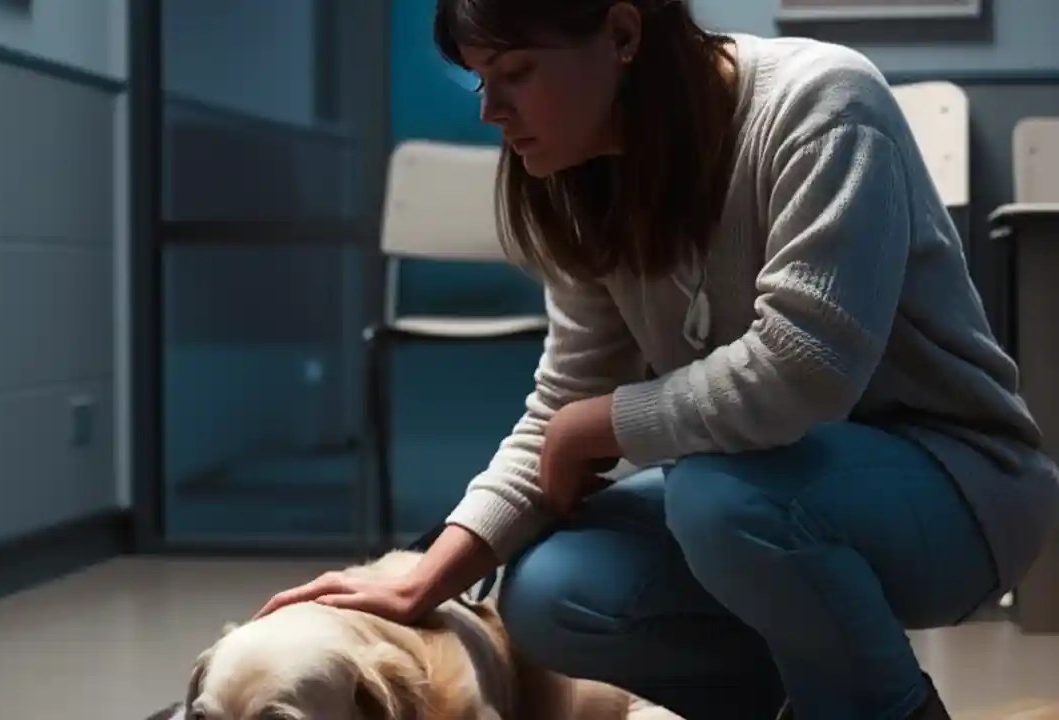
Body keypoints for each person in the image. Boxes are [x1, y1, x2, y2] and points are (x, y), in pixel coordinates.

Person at [254, 1, 1059, 718]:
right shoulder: (579, 176)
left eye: (516, 73)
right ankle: (784, 701)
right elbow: (561, 406)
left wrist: (599, 425)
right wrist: (430, 573)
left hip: (961, 490)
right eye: (479, 80)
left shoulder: (821, 102)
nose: (492, 110)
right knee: (550, 591)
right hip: (762, 490)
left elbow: (803, 368)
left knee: (720, 496)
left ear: (622, 30)